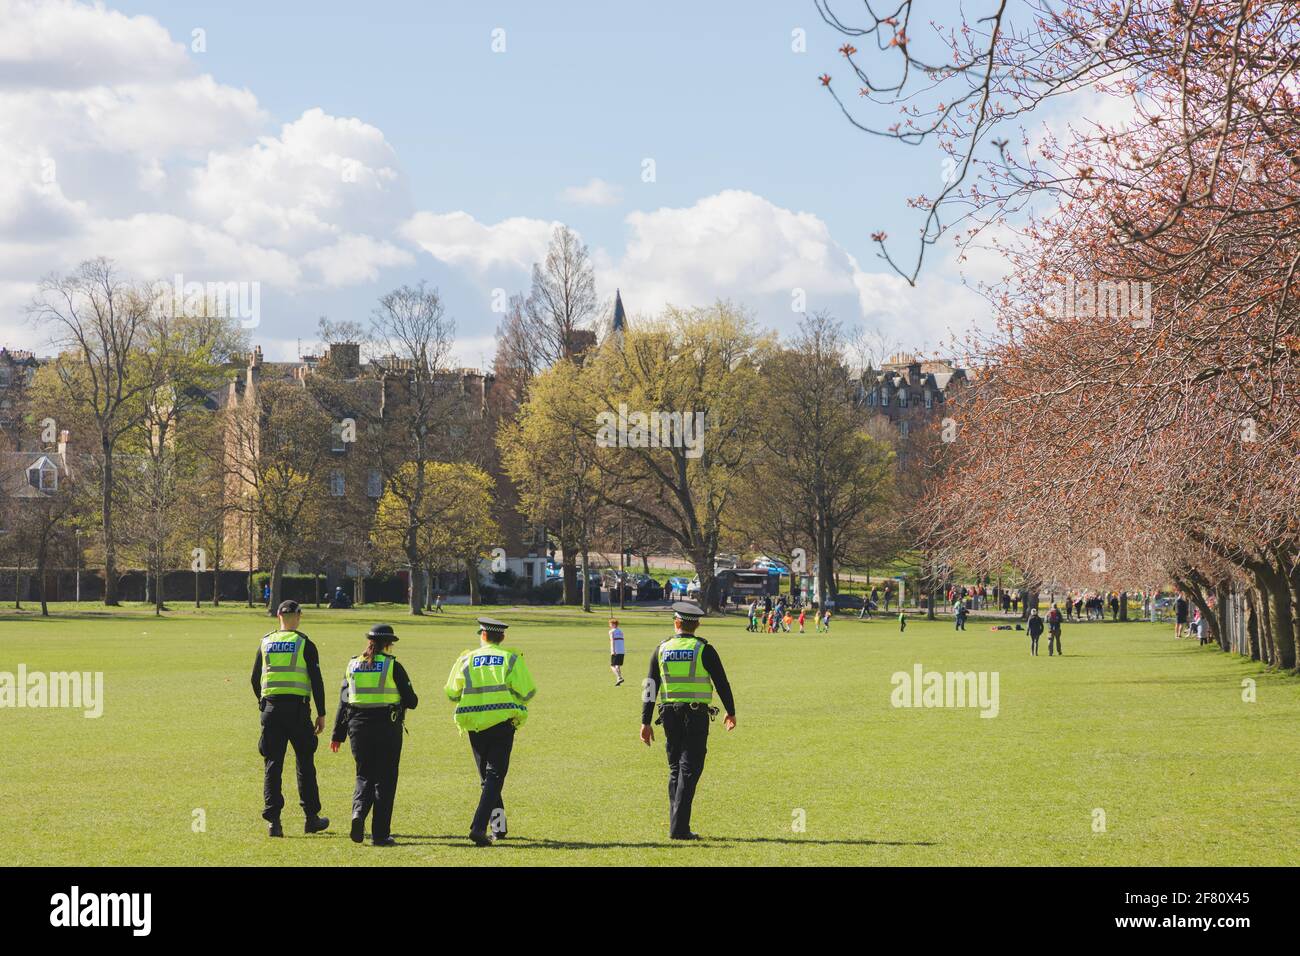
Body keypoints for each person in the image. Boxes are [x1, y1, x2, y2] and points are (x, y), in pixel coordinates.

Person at [639, 602, 736, 840]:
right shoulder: (704, 649)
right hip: (695, 715)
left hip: (668, 715)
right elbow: (722, 682)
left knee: (676, 769)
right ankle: (679, 829)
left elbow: (650, 686)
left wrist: (645, 721)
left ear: (676, 622)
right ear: (697, 624)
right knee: (690, 770)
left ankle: (678, 824)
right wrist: (730, 710)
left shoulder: (661, 649)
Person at [445, 617, 537, 846]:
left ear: (482, 635)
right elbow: (527, 693)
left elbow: (451, 693)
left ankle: (499, 827)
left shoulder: (465, 658)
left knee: (488, 779)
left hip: (474, 724)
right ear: (502, 637)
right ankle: (478, 827)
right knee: (494, 777)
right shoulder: (511, 658)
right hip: (503, 724)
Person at [330, 624, 418, 846]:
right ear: (388, 644)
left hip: (357, 727)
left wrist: (337, 735)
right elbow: (412, 701)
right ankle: (380, 834)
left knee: (364, 775)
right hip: (387, 727)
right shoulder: (392, 666)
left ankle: (358, 814)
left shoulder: (352, 664)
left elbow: (343, 701)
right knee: (386, 780)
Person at [250, 600, 330, 838]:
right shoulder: (304, 643)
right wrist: (322, 712)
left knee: (273, 765)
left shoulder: (265, 642)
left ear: (278, 616)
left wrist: (263, 703)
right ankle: (311, 817)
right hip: (297, 711)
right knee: (305, 763)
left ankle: (274, 821)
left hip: (271, 710)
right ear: (299, 616)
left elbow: (255, 679)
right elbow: (317, 681)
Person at [609, 617, 626, 685]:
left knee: (612, 666)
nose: (609, 625)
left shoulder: (611, 631)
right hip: (622, 650)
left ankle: (619, 677)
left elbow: (612, 640)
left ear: (613, 624)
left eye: (610, 624)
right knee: (617, 666)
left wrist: (613, 650)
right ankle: (618, 681)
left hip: (616, 650)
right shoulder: (621, 631)